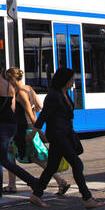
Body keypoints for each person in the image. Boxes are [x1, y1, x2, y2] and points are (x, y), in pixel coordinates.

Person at [30, 67, 105, 209]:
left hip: (66, 134)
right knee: (77, 164)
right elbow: (44, 114)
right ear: (64, 80)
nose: (73, 82)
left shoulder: (64, 93)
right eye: (71, 79)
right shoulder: (53, 95)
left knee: (52, 166)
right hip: (58, 135)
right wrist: (35, 131)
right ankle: (87, 198)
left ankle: (36, 194)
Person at [0, 60, 41, 199]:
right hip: (11, 124)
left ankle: (33, 182)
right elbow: (12, 107)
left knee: (3, 159)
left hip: (0, 126)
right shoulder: (10, 86)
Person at [5, 67, 69, 196]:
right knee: (19, 155)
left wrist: (37, 131)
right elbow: (39, 107)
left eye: (8, 79)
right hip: (24, 128)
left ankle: (61, 181)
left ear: (12, 78)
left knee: (30, 157)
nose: (7, 82)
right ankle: (12, 184)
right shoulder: (29, 88)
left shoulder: (21, 93)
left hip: (25, 129)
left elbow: (31, 113)